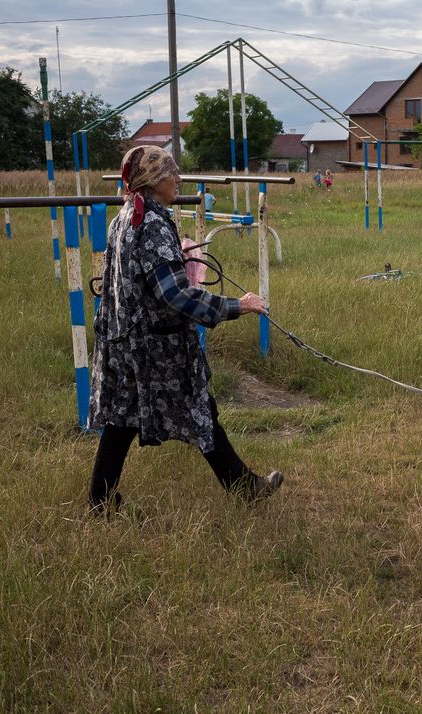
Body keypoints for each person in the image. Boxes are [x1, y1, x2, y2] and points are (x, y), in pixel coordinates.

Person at [87, 145, 283, 515]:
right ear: (152, 180)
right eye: (171, 174)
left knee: (124, 419)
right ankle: (245, 488)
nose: (177, 180)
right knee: (197, 410)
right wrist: (236, 305)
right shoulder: (153, 225)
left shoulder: (125, 217)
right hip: (156, 348)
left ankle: (101, 502)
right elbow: (174, 294)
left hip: (126, 343)